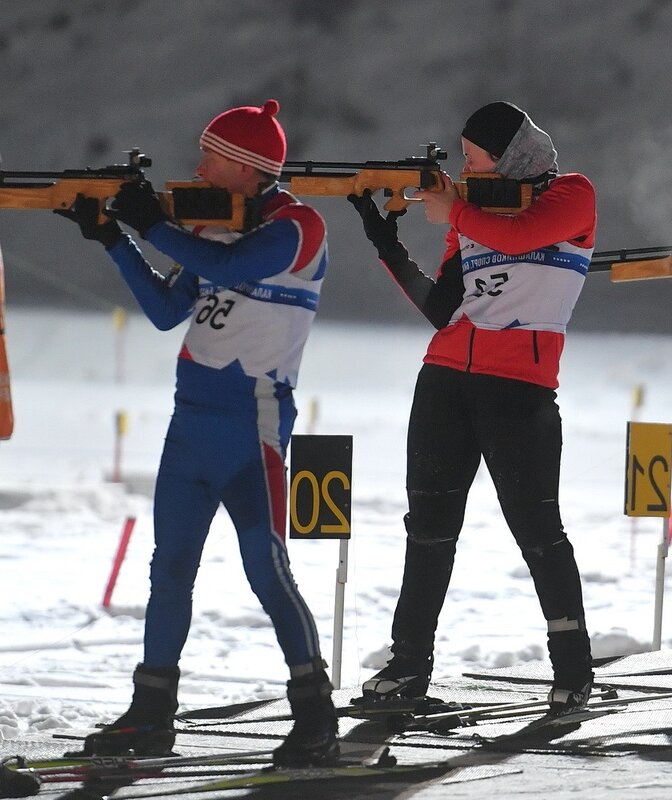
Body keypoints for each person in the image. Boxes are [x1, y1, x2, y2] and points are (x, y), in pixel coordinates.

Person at [56, 100, 338, 766]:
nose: (199, 167)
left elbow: (239, 268)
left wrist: (152, 222)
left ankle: (316, 715)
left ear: (244, 167)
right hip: (191, 426)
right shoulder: (213, 226)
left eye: (210, 156)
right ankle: (152, 714)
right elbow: (164, 311)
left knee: (266, 572)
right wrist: (113, 237)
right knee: (169, 572)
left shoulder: (301, 226)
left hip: (254, 427)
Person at [346, 101, 596, 712]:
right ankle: (407, 665)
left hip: (520, 387)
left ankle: (572, 666)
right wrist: (386, 241)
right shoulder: (474, 214)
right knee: (427, 532)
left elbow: (520, 234)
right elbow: (441, 307)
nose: (463, 167)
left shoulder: (572, 195)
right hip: (444, 381)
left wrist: (455, 207)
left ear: (507, 154)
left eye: (472, 155)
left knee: (538, 532)